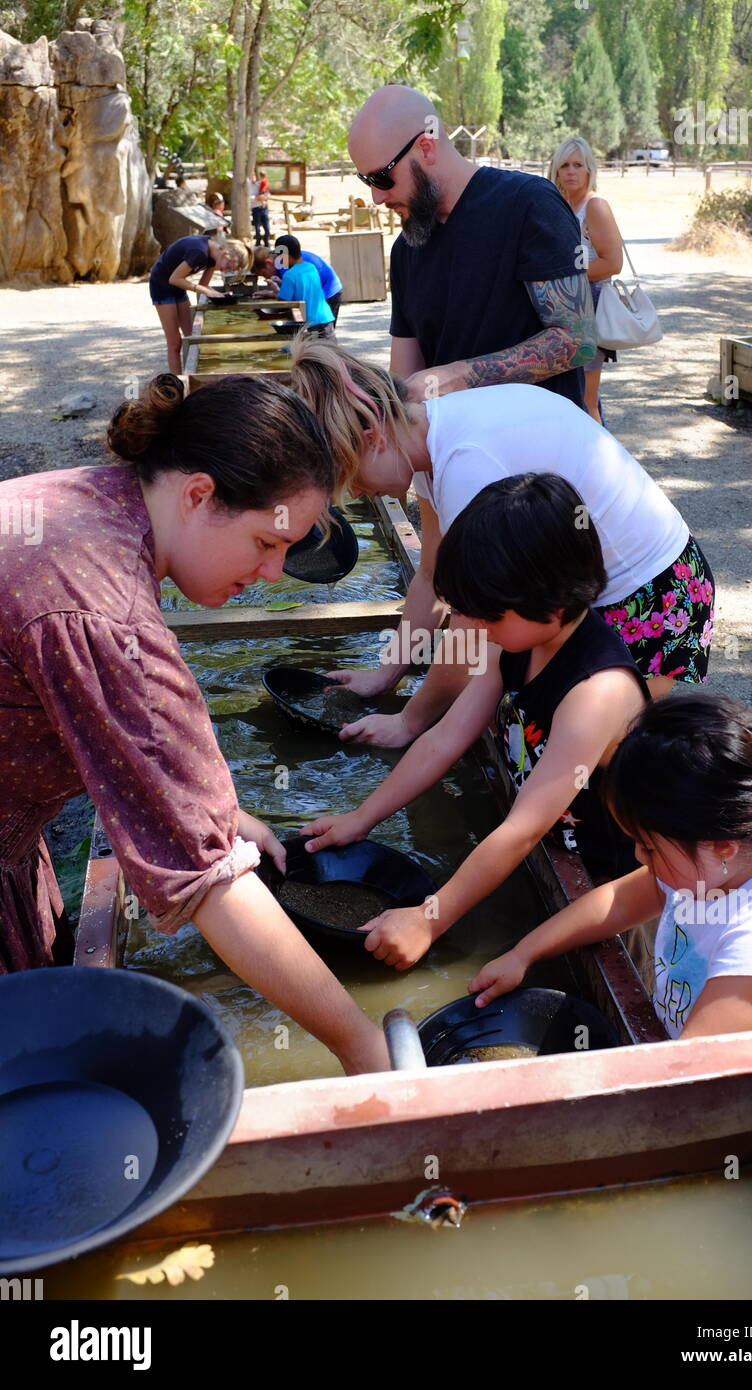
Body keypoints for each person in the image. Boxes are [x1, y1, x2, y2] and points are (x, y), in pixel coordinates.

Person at [0, 373, 388, 1074]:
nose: (273, 574)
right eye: (265, 544)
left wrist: (221, 815)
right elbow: (211, 886)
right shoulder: (104, 611)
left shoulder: (92, 498)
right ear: (200, 494)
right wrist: (363, 1047)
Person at [287, 336, 715, 746]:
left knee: (561, 746)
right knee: (499, 713)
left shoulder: (467, 464)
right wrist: (387, 673)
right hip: (578, 591)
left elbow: (472, 624)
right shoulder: (423, 433)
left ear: (371, 438)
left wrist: (409, 721)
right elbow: (434, 574)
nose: (358, 493)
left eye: (351, 477)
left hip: (653, 597)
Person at [301, 475, 648, 968]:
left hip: (605, 887)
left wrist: (429, 918)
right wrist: (362, 818)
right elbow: (443, 738)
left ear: (549, 600)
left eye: (489, 615)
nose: (477, 628)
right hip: (551, 850)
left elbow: (521, 830)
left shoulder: (596, 692)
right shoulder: (517, 642)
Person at [470, 691, 752, 1038]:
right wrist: (524, 954)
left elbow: (691, 1070)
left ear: (720, 847)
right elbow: (618, 903)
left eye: (649, 847)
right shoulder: (715, 866)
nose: (639, 858)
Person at [348, 85, 596, 409]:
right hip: (457, 456)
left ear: (426, 147)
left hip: (541, 452)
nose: (377, 198)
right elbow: (406, 382)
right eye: (366, 181)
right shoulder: (406, 248)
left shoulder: (528, 204)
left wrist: (458, 377)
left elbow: (578, 341)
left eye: (382, 178)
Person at [548, 136, 624, 426]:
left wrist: (564, 275)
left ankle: (601, 467)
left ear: (589, 169)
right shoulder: (559, 204)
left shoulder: (595, 206)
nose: (570, 171)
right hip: (563, 310)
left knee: (586, 401)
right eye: (564, 165)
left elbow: (612, 263)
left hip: (589, 309)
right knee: (569, 395)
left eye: (577, 165)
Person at [149, 234, 249, 373]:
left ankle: (195, 376)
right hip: (162, 285)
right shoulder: (199, 251)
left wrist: (219, 295)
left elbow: (204, 285)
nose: (225, 271)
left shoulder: (214, 256)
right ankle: (178, 383)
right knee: (175, 343)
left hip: (178, 285)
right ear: (225, 254)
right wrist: (206, 291)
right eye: (228, 266)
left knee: (192, 336)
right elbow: (174, 278)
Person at [274, 235, 343, 323]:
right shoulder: (311, 267)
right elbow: (303, 292)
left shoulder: (289, 275)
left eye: (279, 257)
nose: (279, 261)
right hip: (325, 318)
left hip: (311, 323)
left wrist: (276, 290)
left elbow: (284, 303)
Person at [251, 167, 271, 247]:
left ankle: (266, 241)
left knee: (266, 226)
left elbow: (268, 194)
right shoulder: (249, 186)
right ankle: (258, 241)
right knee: (257, 227)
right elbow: (249, 198)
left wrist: (263, 198)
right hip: (256, 208)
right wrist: (257, 198)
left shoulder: (261, 183)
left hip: (263, 208)